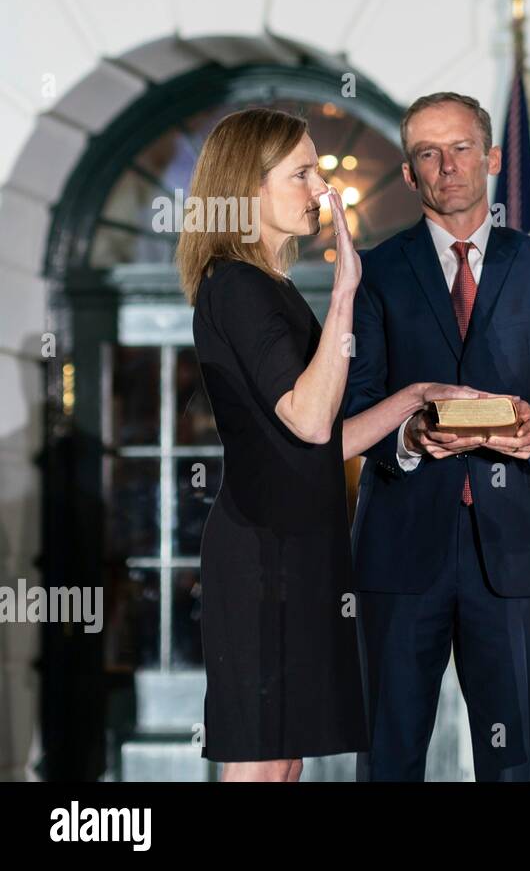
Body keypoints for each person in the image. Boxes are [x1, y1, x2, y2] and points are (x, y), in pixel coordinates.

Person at [177, 107, 479, 782]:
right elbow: (310, 422)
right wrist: (345, 289)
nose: (321, 188)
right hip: (264, 554)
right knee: (264, 762)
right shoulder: (237, 285)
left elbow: (322, 442)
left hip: (299, 546)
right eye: (303, 173)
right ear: (249, 189)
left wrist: (414, 397)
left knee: (286, 760)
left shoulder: (268, 287)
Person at [345, 92, 530, 782]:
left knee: (516, 764)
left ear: (491, 157)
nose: (447, 165)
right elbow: (355, 400)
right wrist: (409, 436)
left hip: (519, 547)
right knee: (390, 759)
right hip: (401, 550)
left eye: (461, 148)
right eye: (427, 152)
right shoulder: (373, 273)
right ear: (408, 173)